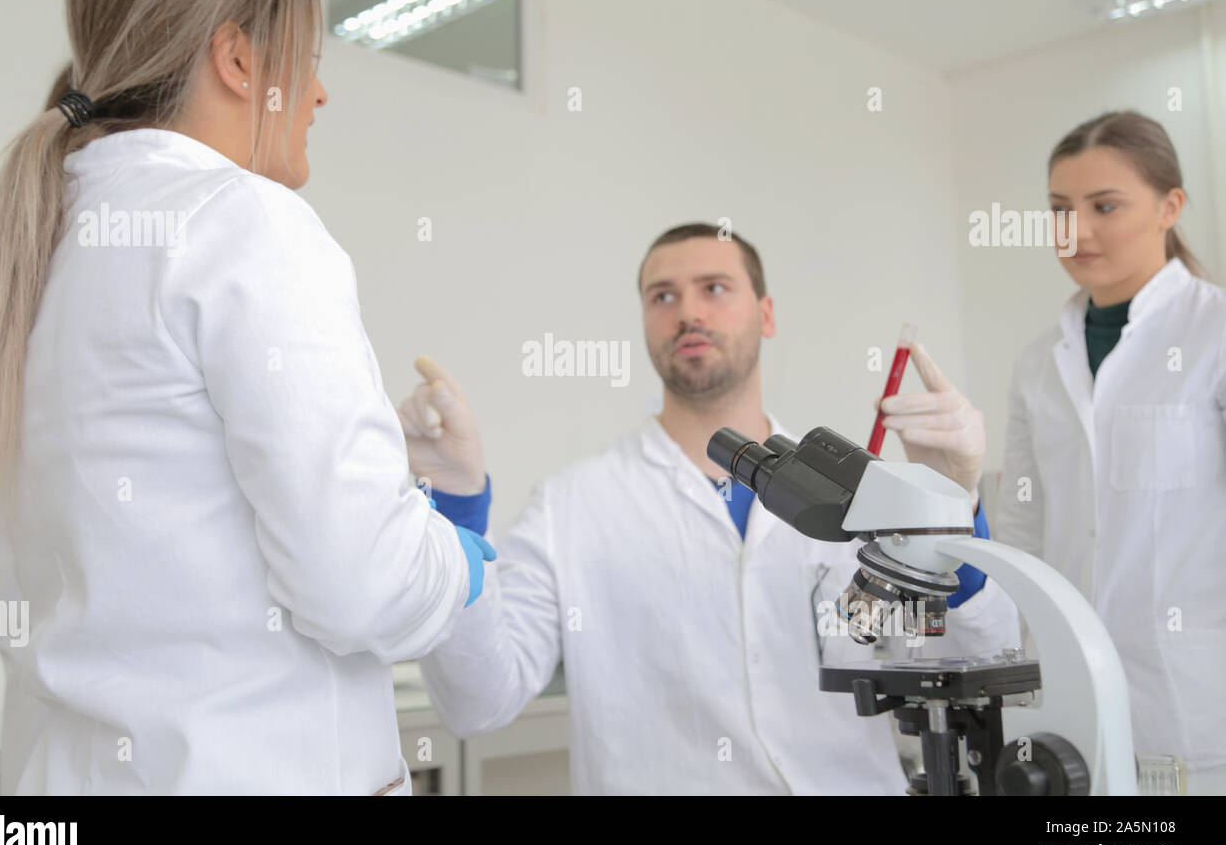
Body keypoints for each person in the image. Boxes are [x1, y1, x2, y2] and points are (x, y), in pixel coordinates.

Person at [0, 0, 492, 795]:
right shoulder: (243, 224)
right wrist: (458, 551)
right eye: (306, 60)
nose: (319, 93)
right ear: (237, 59)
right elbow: (360, 585)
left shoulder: (19, 272)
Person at [402, 223, 1020, 794]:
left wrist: (951, 510)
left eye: (714, 288)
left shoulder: (869, 492)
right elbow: (476, 705)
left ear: (766, 313)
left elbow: (984, 655)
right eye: (662, 296)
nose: (689, 312)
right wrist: (455, 511)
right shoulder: (574, 504)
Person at [993, 110, 1226, 795]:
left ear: (1169, 207)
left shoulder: (1214, 334)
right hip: (1068, 709)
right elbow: (1022, 536)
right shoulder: (1039, 362)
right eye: (1060, 209)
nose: (1078, 230)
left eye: (1105, 206)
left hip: (1198, 710)